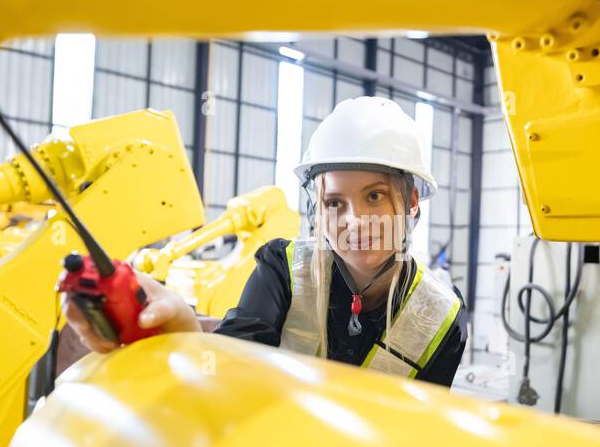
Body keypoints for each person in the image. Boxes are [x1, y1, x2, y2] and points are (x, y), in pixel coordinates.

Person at [65, 96, 468, 386]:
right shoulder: (283, 268)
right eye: (334, 202)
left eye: (375, 196)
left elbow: (422, 434)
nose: (355, 221)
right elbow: (229, 367)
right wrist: (184, 332)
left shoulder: (442, 316)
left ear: (412, 201)